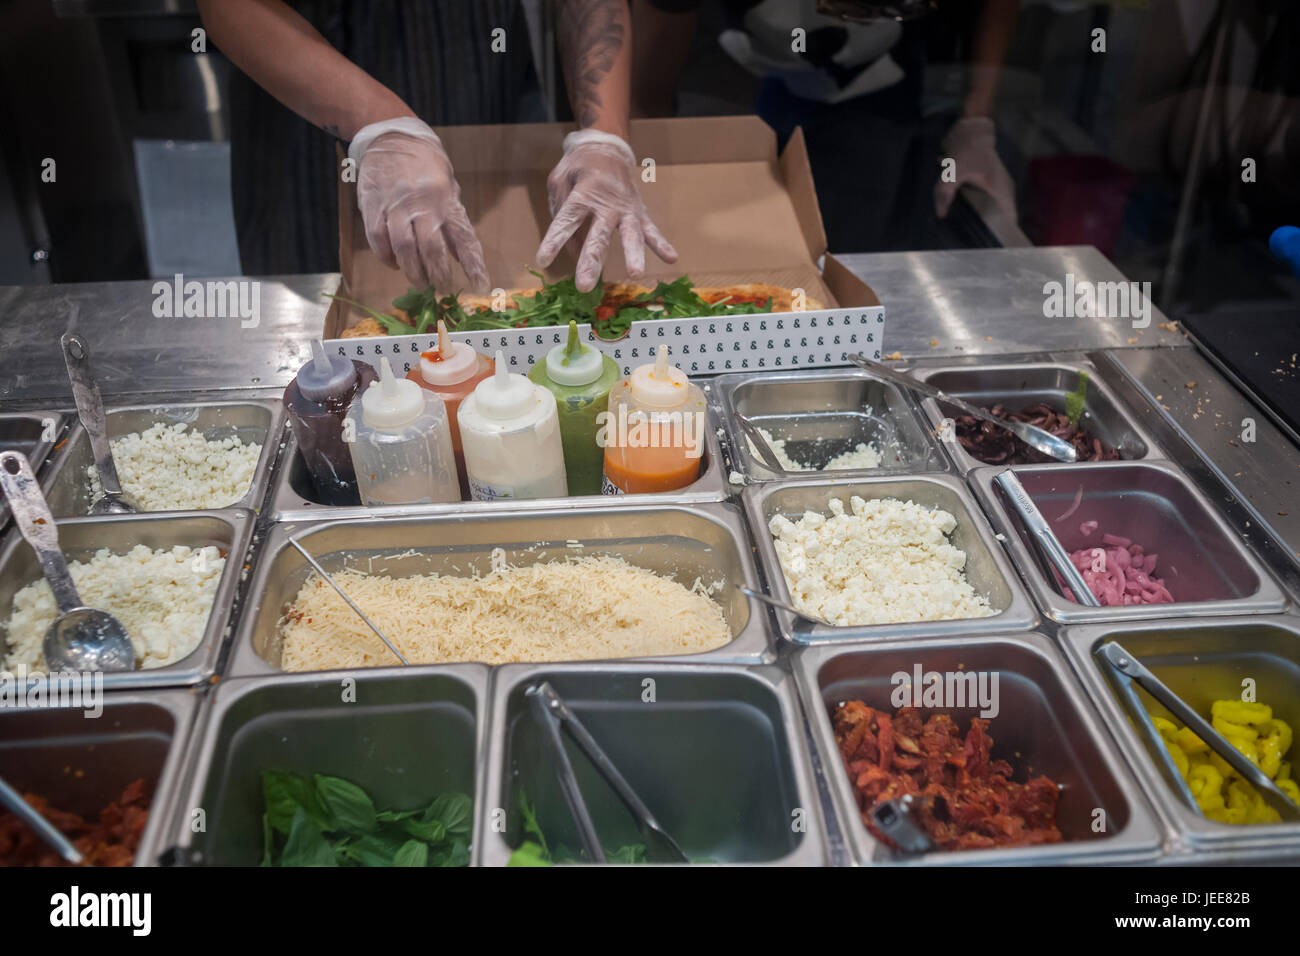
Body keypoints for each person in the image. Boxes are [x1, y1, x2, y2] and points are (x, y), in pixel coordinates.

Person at [197, 0, 676, 292]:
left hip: (482, 66)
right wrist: (380, 127)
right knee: (337, 356)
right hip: (309, 90)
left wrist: (604, 136)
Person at [630, 0, 1020, 252]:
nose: (854, 17)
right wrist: (639, 156)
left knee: (856, 244)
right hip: (728, 85)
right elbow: (649, 82)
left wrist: (976, 120)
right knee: (718, 244)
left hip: (878, 92)